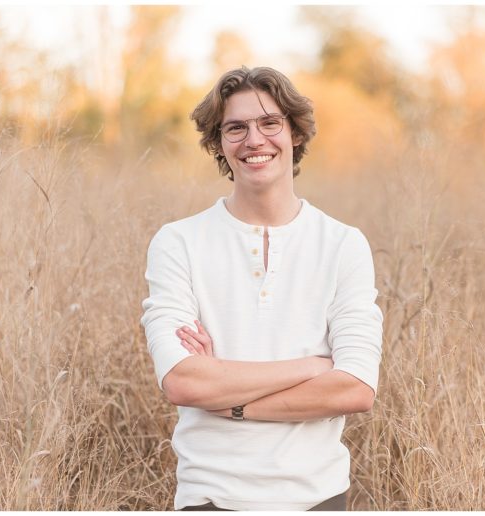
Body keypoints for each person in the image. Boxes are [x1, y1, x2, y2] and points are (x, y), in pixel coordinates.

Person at [140, 66, 383, 511]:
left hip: (318, 498)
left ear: (294, 133)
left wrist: (231, 401)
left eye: (270, 123)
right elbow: (183, 381)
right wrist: (312, 365)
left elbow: (355, 389)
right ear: (218, 143)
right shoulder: (178, 243)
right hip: (211, 498)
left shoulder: (343, 244)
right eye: (236, 128)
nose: (255, 140)